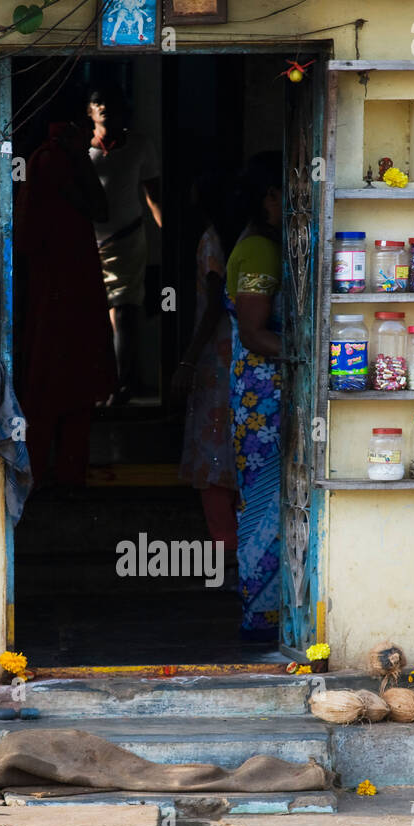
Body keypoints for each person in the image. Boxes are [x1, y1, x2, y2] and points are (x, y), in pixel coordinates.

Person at [14, 104, 117, 488]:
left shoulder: (47, 158)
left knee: (57, 381)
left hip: (58, 283)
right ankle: (55, 475)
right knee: (57, 382)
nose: (92, 137)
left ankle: (56, 474)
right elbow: (98, 207)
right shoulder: (55, 160)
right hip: (60, 283)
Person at [225, 152, 284, 642]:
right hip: (264, 394)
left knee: (264, 496)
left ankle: (265, 608)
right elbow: (254, 332)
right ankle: (262, 614)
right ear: (266, 199)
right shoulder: (262, 250)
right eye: (282, 192)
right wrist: (308, 355)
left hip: (257, 392)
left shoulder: (259, 243)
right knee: (266, 498)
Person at [173, 171, 237, 559]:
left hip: (216, 356)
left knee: (212, 452)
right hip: (238, 353)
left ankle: (225, 548)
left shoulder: (213, 239)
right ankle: (234, 549)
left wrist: (188, 359)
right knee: (231, 448)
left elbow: (214, 304)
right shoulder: (241, 236)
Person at [88, 84, 162, 400]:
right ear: (89, 110)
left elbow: (153, 195)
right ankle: (98, 385)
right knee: (92, 316)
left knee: (124, 312)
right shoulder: (79, 147)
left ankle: (123, 385)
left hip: (127, 239)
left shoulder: (139, 145)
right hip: (85, 244)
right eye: (97, 102)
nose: (103, 107)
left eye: (109, 101)